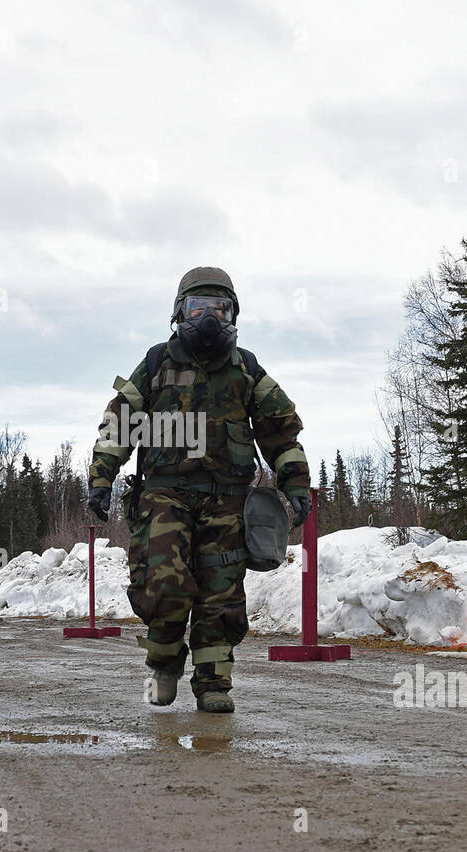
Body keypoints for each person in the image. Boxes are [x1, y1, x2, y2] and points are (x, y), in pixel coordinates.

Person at [87, 267, 311, 713]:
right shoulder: (155, 364)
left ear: (233, 314)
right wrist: (100, 479)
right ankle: (165, 664)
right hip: (163, 495)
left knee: (221, 594)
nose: (209, 317)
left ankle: (214, 684)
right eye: (198, 307)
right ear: (178, 312)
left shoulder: (246, 368)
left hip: (227, 498)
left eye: (220, 308)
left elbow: (281, 433)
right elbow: (118, 424)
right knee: (162, 586)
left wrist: (296, 483)